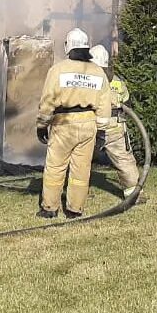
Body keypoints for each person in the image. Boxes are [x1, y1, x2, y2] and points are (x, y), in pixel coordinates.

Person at [36, 28, 112, 219]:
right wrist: (101, 130)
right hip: (88, 124)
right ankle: (75, 209)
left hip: (63, 123)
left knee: (55, 167)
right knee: (81, 170)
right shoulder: (97, 71)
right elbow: (105, 104)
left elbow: (47, 101)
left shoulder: (58, 70)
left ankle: (50, 208)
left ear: (68, 46)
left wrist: (42, 125)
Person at [88, 45, 142, 201]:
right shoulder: (117, 81)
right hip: (116, 127)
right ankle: (134, 194)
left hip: (92, 126)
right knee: (124, 161)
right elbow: (128, 104)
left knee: (81, 160)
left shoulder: (88, 80)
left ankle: (79, 193)